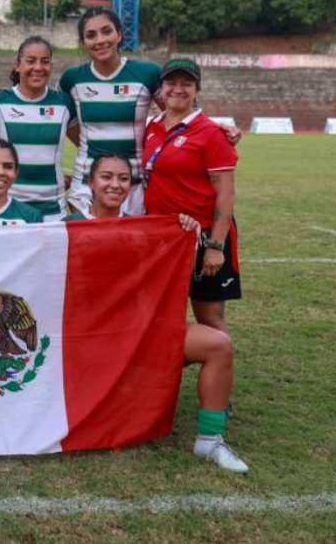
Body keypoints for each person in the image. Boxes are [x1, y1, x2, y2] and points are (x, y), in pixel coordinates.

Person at [63, 152, 247, 473]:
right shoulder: (65, 228)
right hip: (87, 343)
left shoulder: (145, 227)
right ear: (90, 182)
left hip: (140, 336)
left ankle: (210, 440)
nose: (115, 184)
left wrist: (184, 231)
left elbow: (170, 275)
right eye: (106, 176)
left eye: (123, 179)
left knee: (218, 344)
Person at [142, 59, 240, 334]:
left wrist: (215, 246)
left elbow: (226, 194)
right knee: (161, 316)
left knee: (210, 319)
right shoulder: (150, 127)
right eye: (171, 83)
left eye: (187, 83)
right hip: (163, 237)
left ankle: (220, 369)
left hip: (203, 236)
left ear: (197, 89)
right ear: (161, 89)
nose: (178, 89)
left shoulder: (211, 133)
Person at [58, 8, 162, 216]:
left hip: (132, 185)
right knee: (89, 246)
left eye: (107, 31)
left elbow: (177, 117)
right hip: (86, 185)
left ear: (119, 34)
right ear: (83, 43)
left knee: (128, 247)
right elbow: (66, 123)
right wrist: (100, 148)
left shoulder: (147, 74)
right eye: (91, 35)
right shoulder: (71, 79)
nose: (100, 40)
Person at [0, 37, 77, 221]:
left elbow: (85, 143)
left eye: (45, 61)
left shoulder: (64, 104)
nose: (38, 67)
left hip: (53, 211)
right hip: (8, 211)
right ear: (18, 65)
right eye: (31, 61)